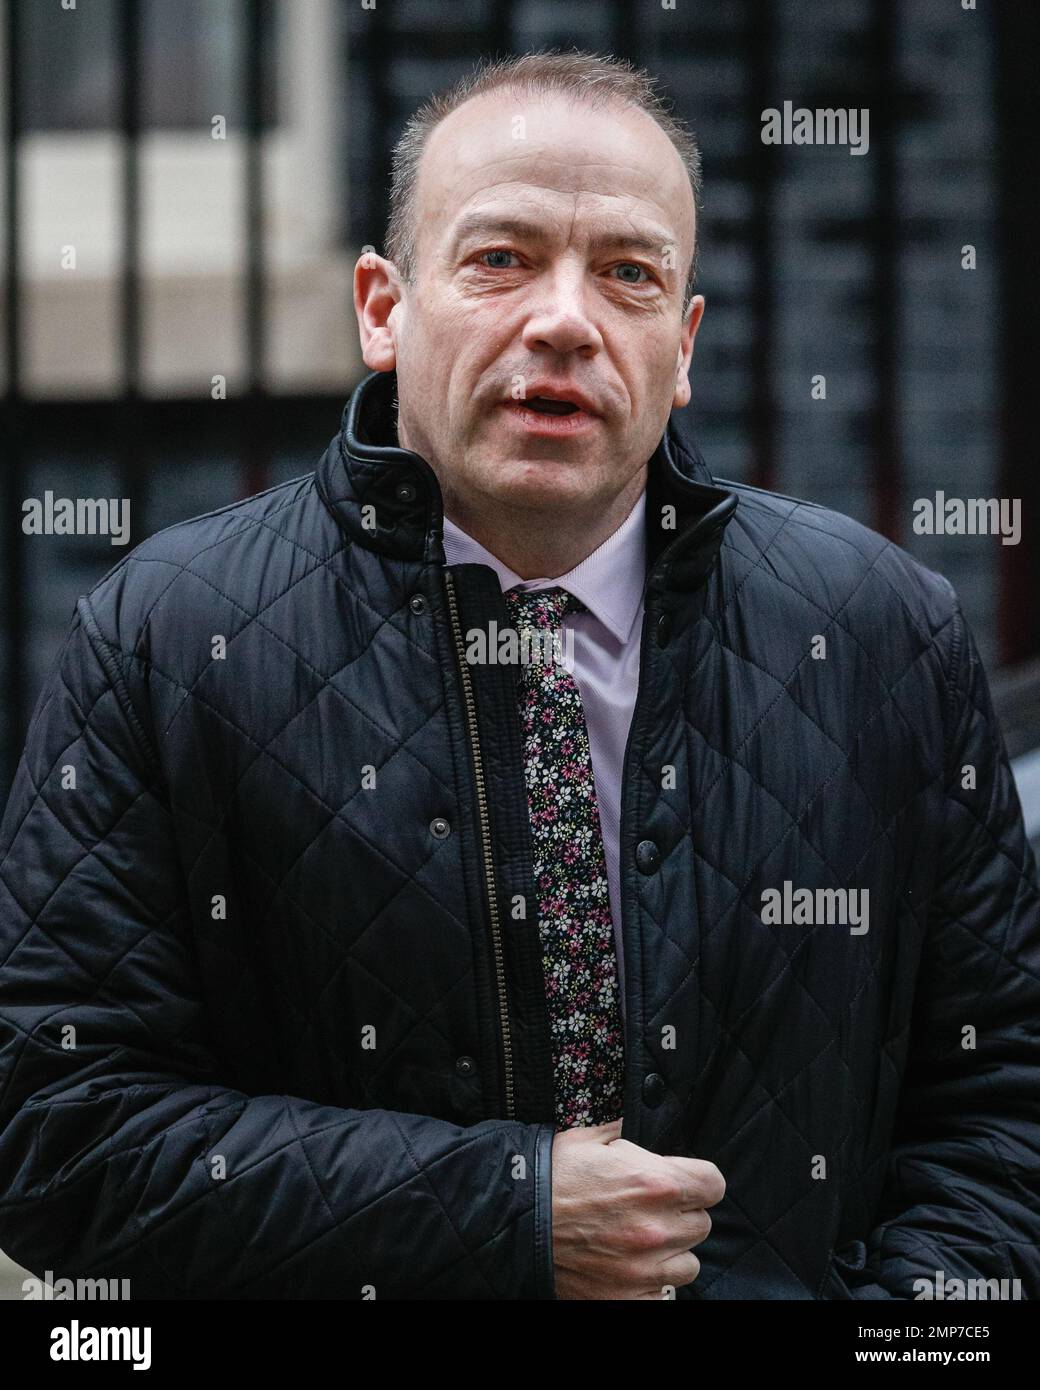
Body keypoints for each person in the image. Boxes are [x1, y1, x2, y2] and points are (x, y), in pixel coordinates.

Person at [0, 49, 1037, 1302]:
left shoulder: (881, 637)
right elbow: (57, 1130)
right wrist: (508, 1211)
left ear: (684, 342)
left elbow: (1000, 1105)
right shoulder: (165, 638)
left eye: (628, 274)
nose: (563, 319)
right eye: (499, 259)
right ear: (382, 308)